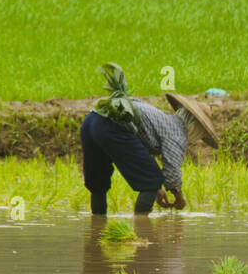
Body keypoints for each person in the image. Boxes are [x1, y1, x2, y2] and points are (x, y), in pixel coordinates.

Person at [79, 64, 219, 216]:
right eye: (200, 134)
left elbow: (138, 153)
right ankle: (143, 232)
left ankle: (97, 228)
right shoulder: (177, 133)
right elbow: (171, 172)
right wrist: (179, 198)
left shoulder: (163, 119)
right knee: (152, 180)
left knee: (98, 185)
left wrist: (157, 189)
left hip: (91, 121)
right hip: (111, 127)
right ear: (195, 127)